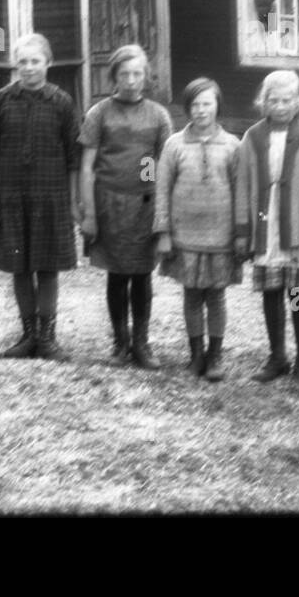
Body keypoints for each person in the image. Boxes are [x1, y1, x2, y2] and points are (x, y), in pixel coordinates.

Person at [0, 33, 81, 362]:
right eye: (22, 61)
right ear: (15, 64)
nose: (29, 68)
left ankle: (48, 338)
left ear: (48, 63)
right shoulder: (0, 101)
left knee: (47, 267)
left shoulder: (62, 102)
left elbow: (74, 159)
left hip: (51, 198)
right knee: (19, 267)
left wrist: (74, 202)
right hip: (12, 197)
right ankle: (27, 335)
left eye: (35, 61)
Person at [79, 44, 173, 368]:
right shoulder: (99, 113)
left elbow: (160, 162)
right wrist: (90, 213)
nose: (131, 80)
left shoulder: (158, 115)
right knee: (117, 275)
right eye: (124, 74)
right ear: (114, 77)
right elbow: (88, 165)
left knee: (141, 275)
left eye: (137, 74)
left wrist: (148, 191)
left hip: (144, 206)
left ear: (146, 76)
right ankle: (119, 342)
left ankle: (141, 343)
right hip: (109, 204)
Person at [154, 78, 249, 381]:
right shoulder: (174, 144)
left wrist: (241, 233)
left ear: (217, 105)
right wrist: (164, 231)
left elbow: (242, 192)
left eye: (206, 103)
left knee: (216, 296)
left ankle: (215, 355)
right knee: (192, 295)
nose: (200, 110)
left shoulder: (233, 145)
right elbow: (162, 189)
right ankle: (195, 355)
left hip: (221, 236)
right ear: (187, 108)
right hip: (185, 236)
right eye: (194, 104)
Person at [239, 70, 299, 385]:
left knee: (297, 292)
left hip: (296, 225)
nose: (279, 106)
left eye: (287, 100)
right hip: (266, 225)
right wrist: (243, 229)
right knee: (271, 290)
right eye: (273, 100)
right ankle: (278, 355)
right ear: (263, 102)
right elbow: (242, 184)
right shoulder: (252, 137)